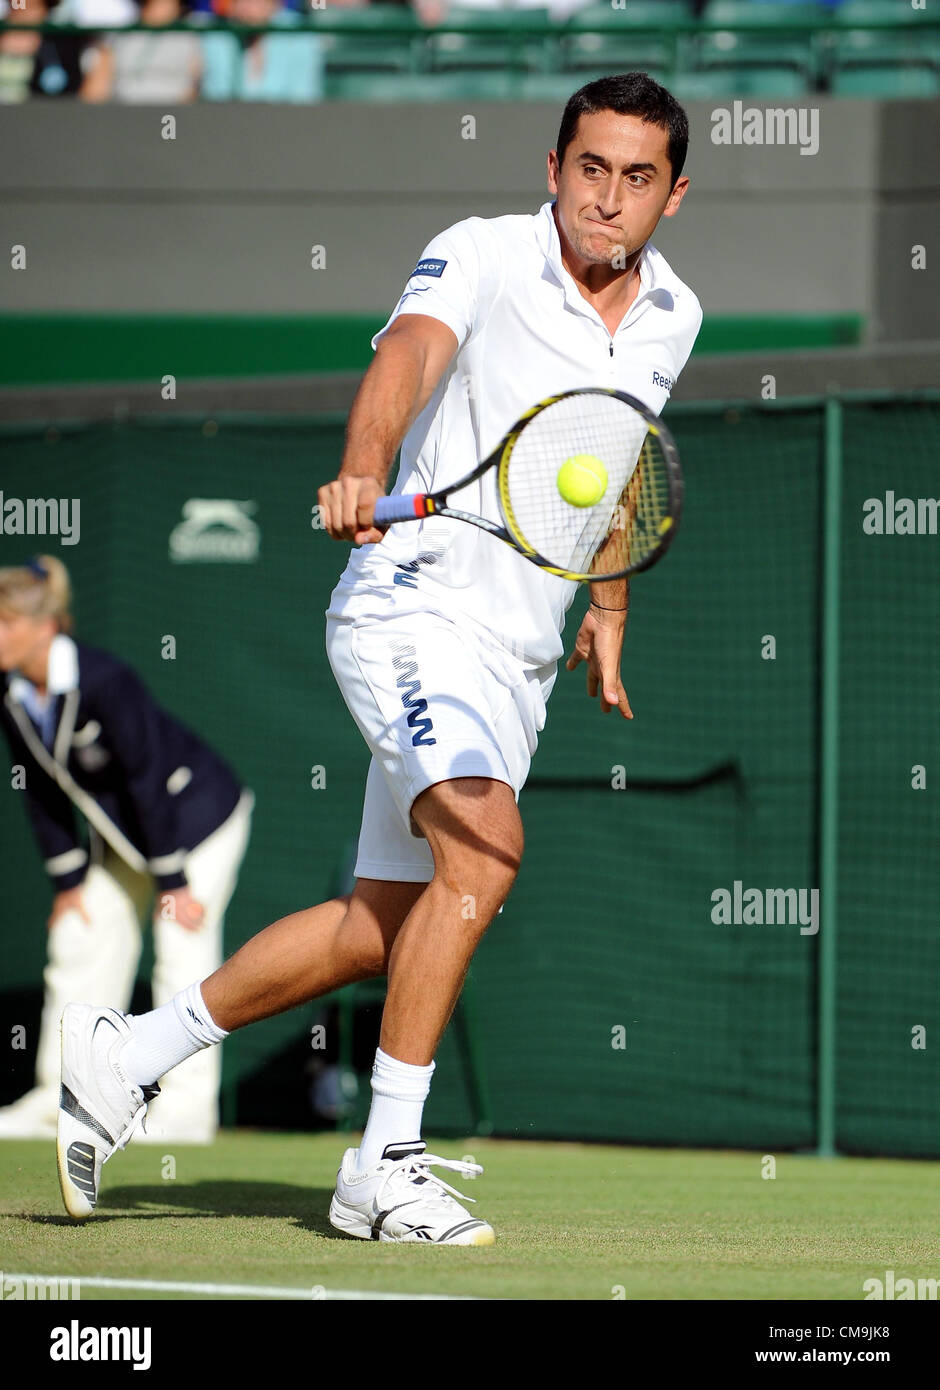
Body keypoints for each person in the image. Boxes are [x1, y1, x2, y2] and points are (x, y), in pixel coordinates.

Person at [56, 72, 702, 1239]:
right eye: (590, 169)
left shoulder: (674, 319)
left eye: (637, 177)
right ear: (551, 171)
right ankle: (381, 1165)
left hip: (516, 656)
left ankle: (127, 1054)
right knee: (487, 847)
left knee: (384, 925)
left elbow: (604, 461)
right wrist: (366, 459)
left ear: (673, 195)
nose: (608, 198)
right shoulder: (483, 252)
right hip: (409, 612)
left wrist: (607, 603)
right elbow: (405, 360)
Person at [0, 556, 253, 1143]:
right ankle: (60, 1098)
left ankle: (185, 1115)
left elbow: (145, 777)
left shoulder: (106, 680)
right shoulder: (10, 691)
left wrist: (174, 884)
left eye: (6, 623)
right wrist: (67, 885)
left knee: (181, 948)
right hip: (124, 837)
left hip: (197, 821)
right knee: (80, 937)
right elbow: (37, 786)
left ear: (45, 627)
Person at [79, 0, 203, 103]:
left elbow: (192, 89)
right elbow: (95, 91)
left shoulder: (189, 37)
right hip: (124, 116)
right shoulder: (119, 34)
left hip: (171, 119)